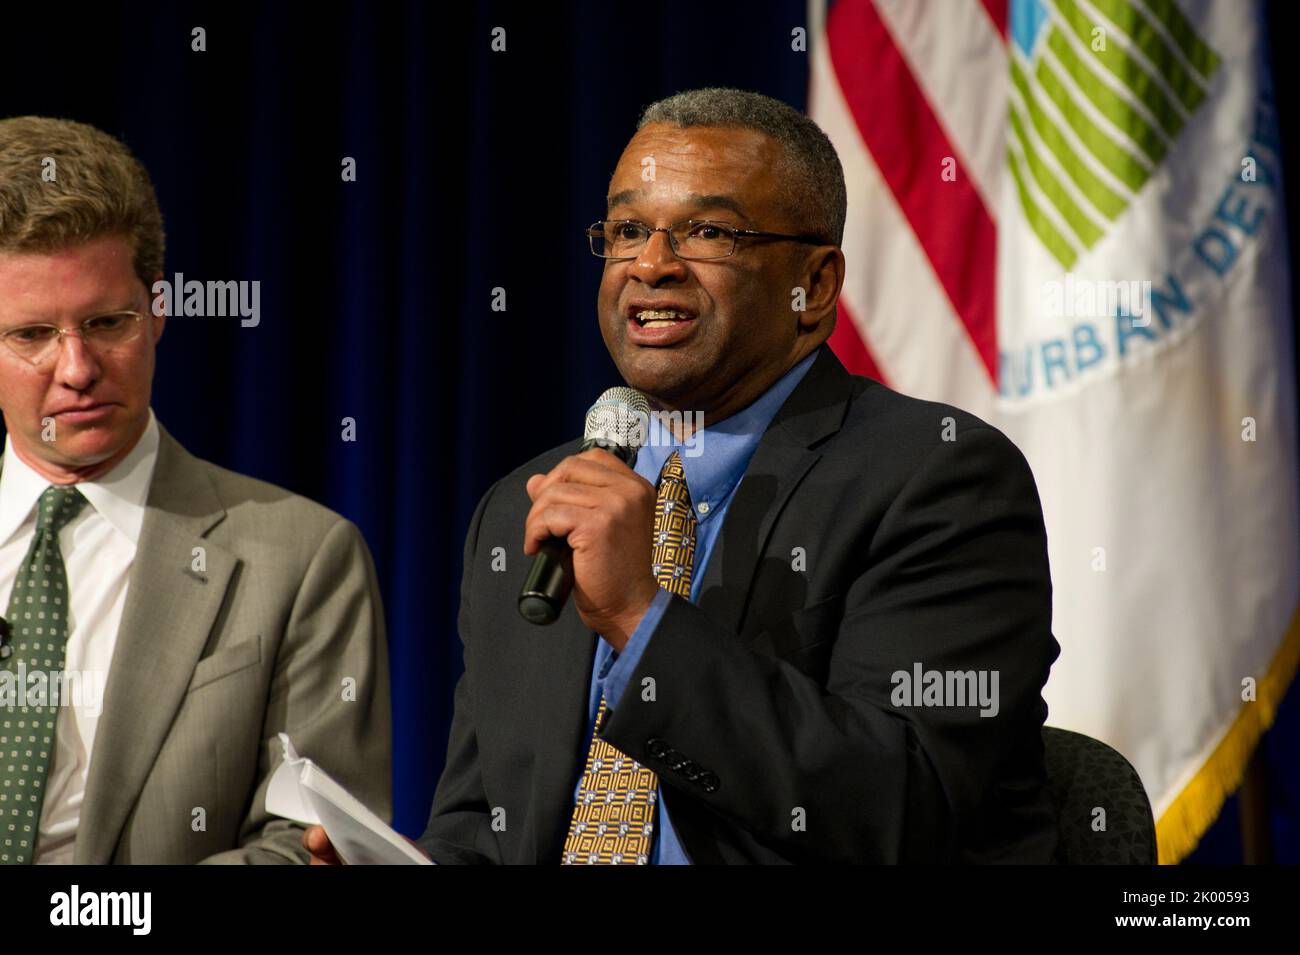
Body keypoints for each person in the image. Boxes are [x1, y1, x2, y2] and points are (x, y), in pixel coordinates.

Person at [308, 86, 1060, 864]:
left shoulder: (938, 479)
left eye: (707, 231)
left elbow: (909, 807)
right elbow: (486, 824)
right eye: (628, 229)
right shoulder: (530, 509)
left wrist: (642, 617)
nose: (651, 264)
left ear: (817, 286)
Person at [0, 116, 390, 864]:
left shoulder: (304, 559)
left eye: (106, 322)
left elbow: (307, 847)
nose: (76, 368)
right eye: (32, 335)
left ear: (158, 311)